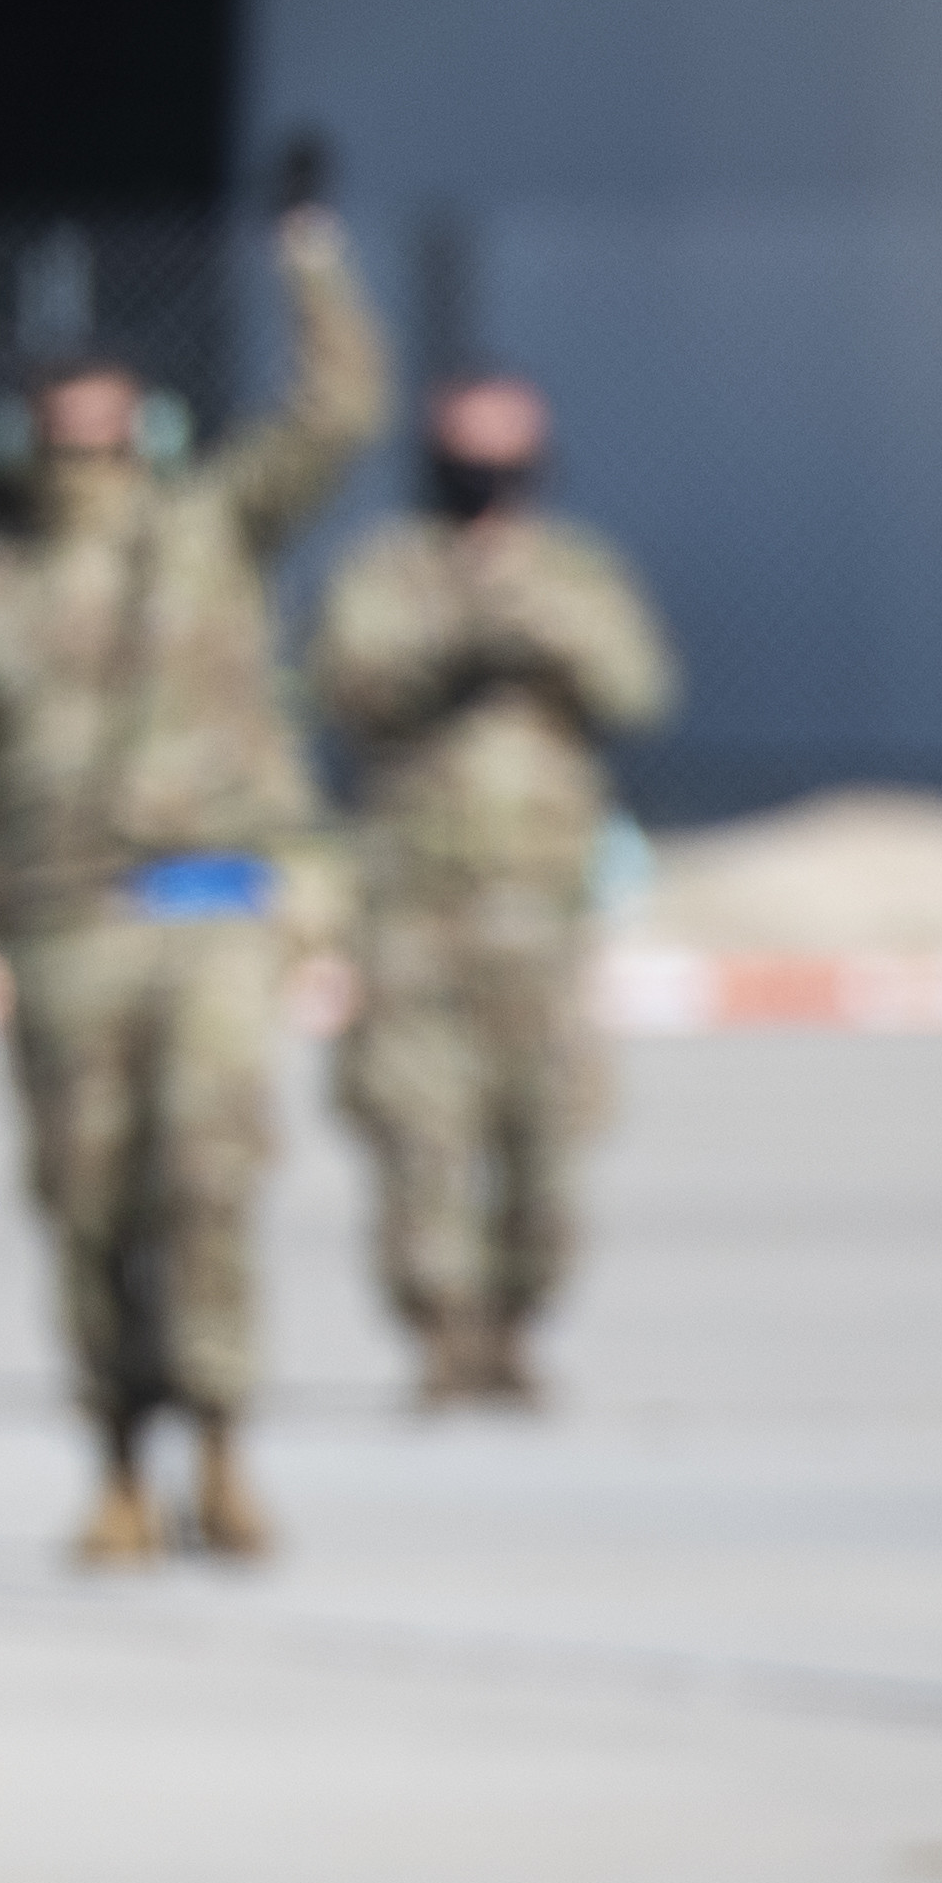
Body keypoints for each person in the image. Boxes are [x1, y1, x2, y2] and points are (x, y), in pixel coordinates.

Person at [0, 150, 390, 1567]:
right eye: (64, 434)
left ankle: (219, 1442)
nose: (87, 456)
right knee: (85, 1198)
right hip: (58, 922)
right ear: (22, 440)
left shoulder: (207, 527)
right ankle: (115, 1456)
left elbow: (337, 409)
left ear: (144, 435)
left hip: (211, 901)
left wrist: (306, 254)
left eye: (109, 433)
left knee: (210, 1182)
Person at [302, 371, 676, 1408]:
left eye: (507, 452)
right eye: (470, 451)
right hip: (418, 908)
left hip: (542, 910)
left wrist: (548, 632)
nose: (489, 474)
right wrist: (449, 652)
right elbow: (347, 686)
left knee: (547, 1136)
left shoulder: (576, 571)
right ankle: (440, 1334)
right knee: (418, 1132)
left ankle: (518, 1325)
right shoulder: (387, 570)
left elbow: (641, 690)